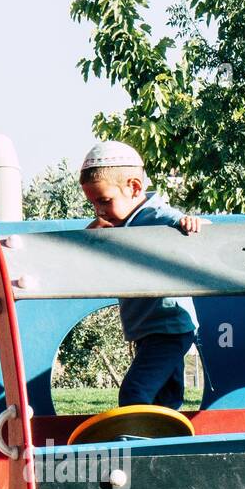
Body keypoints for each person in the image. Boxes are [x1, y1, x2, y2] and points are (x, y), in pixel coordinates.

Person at [79, 141, 203, 409]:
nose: (99, 211)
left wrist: (187, 222)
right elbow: (87, 241)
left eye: (104, 201)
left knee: (134, 392)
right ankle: (166, 446)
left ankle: (133, 445)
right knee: (165, 400)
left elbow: (183, 223)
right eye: (93, 204)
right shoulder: (123, 222)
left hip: (168, 327)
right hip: (150, 329)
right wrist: (97, 228)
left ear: (134, 188)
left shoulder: (154, 216)